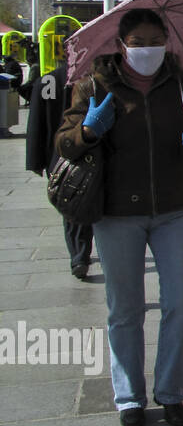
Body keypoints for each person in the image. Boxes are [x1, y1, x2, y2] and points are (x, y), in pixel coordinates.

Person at [55, 8, 183, 426]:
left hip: (173, 208)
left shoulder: (180, 84)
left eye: (154, 41)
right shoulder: (95, 85)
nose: (148, 49)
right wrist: (88, 130)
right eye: (138, 42)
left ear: (167, 41)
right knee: (124, 309)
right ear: (122, 45)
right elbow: (65, 143)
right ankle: (128, 397)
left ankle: (170, 393)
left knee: (181, 304)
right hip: (116, 213)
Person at [23, 62, 95, 279]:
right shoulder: (94, 80)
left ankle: (79, 255)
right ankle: (83, 254)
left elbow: (36, 124)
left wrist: (35, 160)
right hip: (90, 151)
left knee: (73, 206)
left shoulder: (48, 80)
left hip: (58, 157)